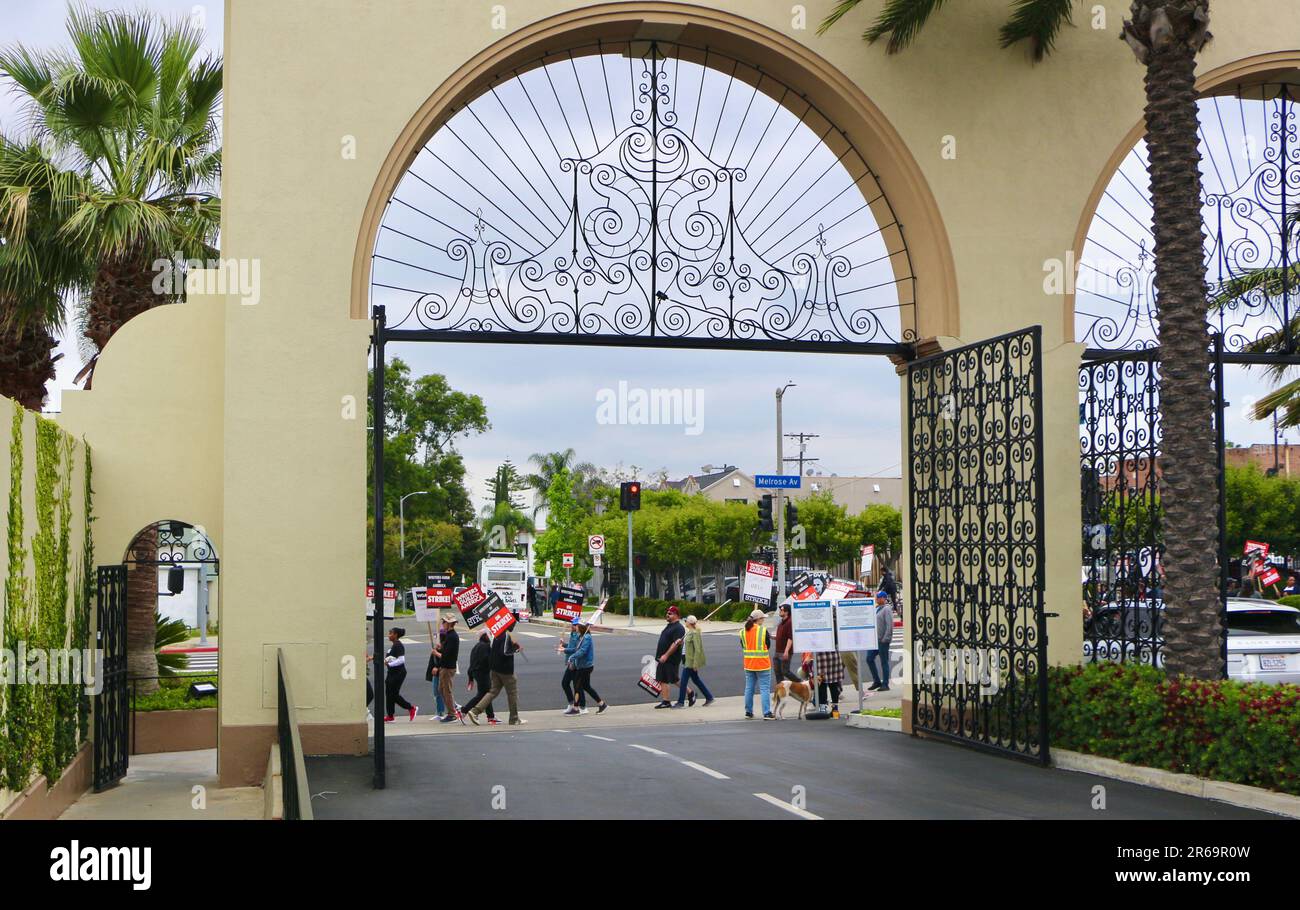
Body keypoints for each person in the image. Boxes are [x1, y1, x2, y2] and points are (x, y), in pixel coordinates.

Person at [467, 627, 526, 726]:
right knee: (512, 694)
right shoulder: (506, 635)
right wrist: (516, 649)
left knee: (493, 692)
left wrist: (514, 645)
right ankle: (514, 718)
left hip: (495, 669)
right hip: (505, 670)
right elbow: (505, 652)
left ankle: (475, 711)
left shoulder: (496, 635)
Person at [566, 619, 607, 715]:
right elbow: (576, 649)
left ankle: (576, 708)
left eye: (576, 626)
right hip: (582, 666)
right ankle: (602, 704)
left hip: (585, 666)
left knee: (577, 686)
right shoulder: (581, 637)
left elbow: (582, 651)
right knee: (586, 687)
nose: (574, 627)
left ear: (580, 627)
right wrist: (565, 649)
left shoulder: (587, 638)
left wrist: (572, 657)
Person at [740, 609, 774, 719]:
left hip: (749, 664)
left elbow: (743, 646)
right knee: (764, 688)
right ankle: (767, 712)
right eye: (762, 618)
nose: (764, 620)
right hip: (762, 664)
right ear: (758, 619)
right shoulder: (763, 631)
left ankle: (748, 712)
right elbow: (767, 646)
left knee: (749, 688)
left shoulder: (742, 631)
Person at [674, 614, 714, 707]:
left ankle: (680, 702)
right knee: (696, 680)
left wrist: (695, 664)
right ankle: (709, 697)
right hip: (686, 659)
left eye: (686, 621)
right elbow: (686, 646)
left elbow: (698, 649)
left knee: (683, 682)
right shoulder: (689, 632)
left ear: (690, 623)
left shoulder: (695, 633)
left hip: (690, 661)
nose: (685, 622)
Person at [460, 632, 498, 725]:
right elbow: (486, 660)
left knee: (486, 694)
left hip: (475, 672)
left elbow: (471, 662)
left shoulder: (476, 646)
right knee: (484, 695)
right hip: (482, 673)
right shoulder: (486, 647)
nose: (490, 637)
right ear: (485, 637)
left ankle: (491, 717)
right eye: (489, 636)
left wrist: (470, 677)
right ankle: (464, 710)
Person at [653, 605, 686, 709]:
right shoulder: (670, 625)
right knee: (667, 679)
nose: (667, 615)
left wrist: (666, 655)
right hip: (663, 657)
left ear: (676, 615)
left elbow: (675, 644)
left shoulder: (678, 628)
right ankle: (667, 701)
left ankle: (689, 693)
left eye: (670, 613)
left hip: (670, 658)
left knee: (671, 679)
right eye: (667, 613)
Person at [383, 627, 418, 722]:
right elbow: (391, 657)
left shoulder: (398, 645)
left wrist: (389, 664)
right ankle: (390, 716)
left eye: (391, 633)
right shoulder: (393, 646)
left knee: (393, 694)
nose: (389, 635)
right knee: (389, 694)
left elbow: (401, 660)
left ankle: (411, 708)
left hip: (398, 673)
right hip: (391, 673)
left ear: (396, 635)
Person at [435, 613, 461, 723]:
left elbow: (447, 655)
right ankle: (452, 710)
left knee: (446, 691)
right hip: (445, 666)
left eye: (444, 622)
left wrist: (436, 653)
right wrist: (440, 648)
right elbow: (446, 651)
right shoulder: (449, 635)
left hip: (448, 667)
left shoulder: (452, 636)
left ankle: (452, 713)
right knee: (441, 690)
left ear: (449, 624)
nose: (443, 624)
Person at [866, 594, 893, 692]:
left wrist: (886, 638)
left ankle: (885, 684)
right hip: (874, 640)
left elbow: (889, 625)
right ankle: (877, 681)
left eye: (878, 597)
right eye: (876, 597)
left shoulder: (887, 609)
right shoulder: (877, 608)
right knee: (869, 659)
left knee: (884, 662)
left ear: (884, 598)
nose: (876, 599)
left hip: (882, 640)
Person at [772, 604, 798, 685]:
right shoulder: (781, 622)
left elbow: (790, 638)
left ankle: (801, 683)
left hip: (784, 651)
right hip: (777, 651)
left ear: (787, 612)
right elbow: (782, 636)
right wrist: (773, 637)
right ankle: (781, 691)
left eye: (782, 610)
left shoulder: (790, 622)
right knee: (778, 673)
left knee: (785, 672)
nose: (780, 611)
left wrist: (786, 651)